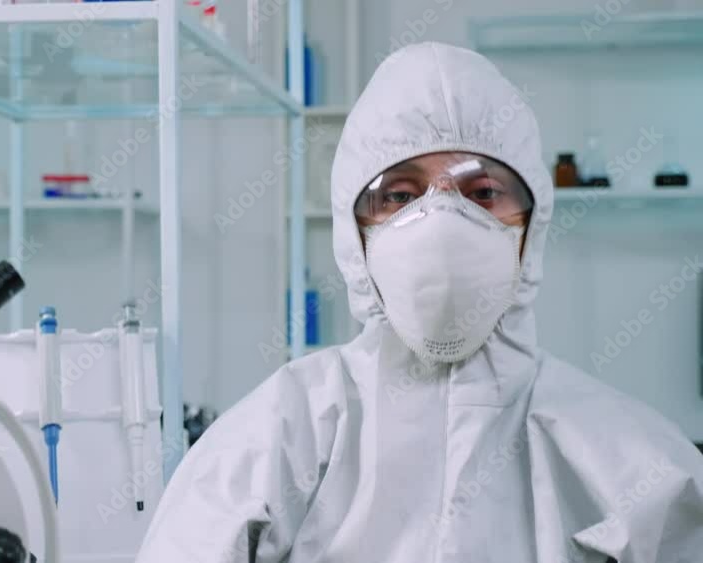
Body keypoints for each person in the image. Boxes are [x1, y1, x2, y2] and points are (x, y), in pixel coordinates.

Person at [135, 42, 703, 562]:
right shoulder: (281, 433)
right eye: (401, 196)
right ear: (352, 231)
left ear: (534, 224)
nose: (441, 226)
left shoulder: (635, 462)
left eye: (482, 194)